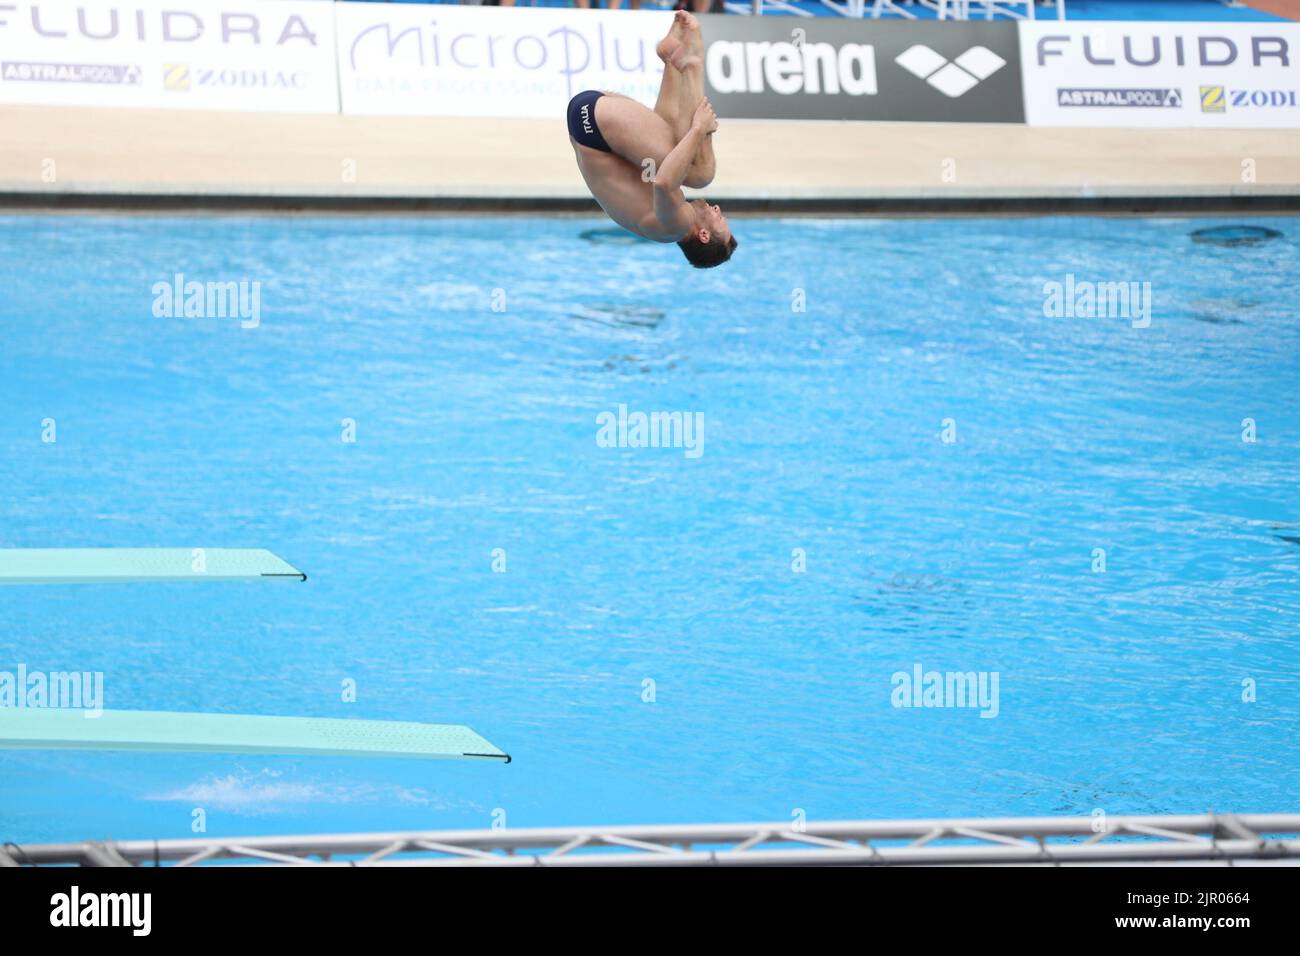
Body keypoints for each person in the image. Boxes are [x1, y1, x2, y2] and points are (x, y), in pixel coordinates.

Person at [566, 11, 736, 268]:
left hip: (594, 125)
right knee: (675, 150)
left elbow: (664, 182)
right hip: (590, 121)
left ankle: (692, 62)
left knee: (700, 173)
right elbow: (654, 143)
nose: (718, 211)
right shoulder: (669, 221)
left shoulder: (675, 226)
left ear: (704, 235)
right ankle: (672, 61)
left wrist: (700, 129)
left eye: (720, 221)